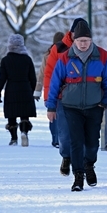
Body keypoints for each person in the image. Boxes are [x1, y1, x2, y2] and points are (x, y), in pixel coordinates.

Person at [46, 18, 107, 191]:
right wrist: (51, 106)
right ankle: (78, 177)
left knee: (92, 142)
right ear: (74, 40)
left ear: (91, 40)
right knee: (75, 141)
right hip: (71, 107)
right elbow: (54, 82)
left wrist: (105, 102)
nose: (83, 44)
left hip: (94, 107)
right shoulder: (64, 58)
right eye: (80, 41)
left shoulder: (103, 56)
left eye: (86, 41)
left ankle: (89, 165)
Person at [0, 34, 37, 146]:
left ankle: (13, 138)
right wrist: (34, 91)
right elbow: (33, 78)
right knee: (24, 114)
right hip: (25, 89)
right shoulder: (27, 59)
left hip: (11, 89)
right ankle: (24, 132)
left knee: (11, 115)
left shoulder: (6, 60)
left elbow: (2, 79)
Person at [43, 29, 74, 173]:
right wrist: (49, 99)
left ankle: (82, 162)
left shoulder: (91, 49)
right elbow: (48, 74)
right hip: (62, 96)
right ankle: (66, 156)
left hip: (84, 98)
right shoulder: (57, 50)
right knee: (64, 131)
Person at [42, 32, 66, 148]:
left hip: (52, 88)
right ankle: (58, 139)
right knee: (58, 115)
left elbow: (42, 74)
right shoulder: (64, 53)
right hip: (60, 88)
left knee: (54, 115)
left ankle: (56, 138)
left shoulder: (47, 55)